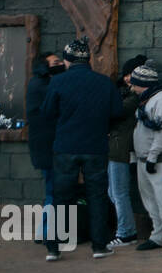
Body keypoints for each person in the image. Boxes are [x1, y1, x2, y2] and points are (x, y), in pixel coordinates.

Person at [40, 36, 124, 261]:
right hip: (96, 147)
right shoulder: (104, 83)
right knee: (96, 196)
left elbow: (47, 114)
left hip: (65, 147)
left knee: (61, 197)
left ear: (68, 61)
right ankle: (99, 246)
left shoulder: (57, 83)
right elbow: (117, 113)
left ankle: (53, 248)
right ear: (88, 60)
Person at [129, 61, 162, 255]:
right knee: (151, 201)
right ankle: (158, 235)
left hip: (161, 161)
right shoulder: (146, 101)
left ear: (143, 83)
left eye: (134, 83)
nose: (132, 87)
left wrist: (152, 157)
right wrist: (136, 157)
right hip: (145, 160)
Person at [105, 55, 147, 250]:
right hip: (116, 148)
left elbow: (115, 112)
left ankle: (126, 232)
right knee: (113, 192)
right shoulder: (123, 93)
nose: (129, 78)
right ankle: (126, 230)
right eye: (127, 74)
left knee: (119, 192)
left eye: (133, 74)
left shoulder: (133, 97)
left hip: (121, 149)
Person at [25, 51, 64, 243]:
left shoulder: (37, 84)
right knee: (53, 191)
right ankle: (48, 232)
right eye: (55, 62)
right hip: (49, 148)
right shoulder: (44, 86)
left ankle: (45, 230)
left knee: (52, 190)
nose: (59, 64)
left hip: (44, 147)